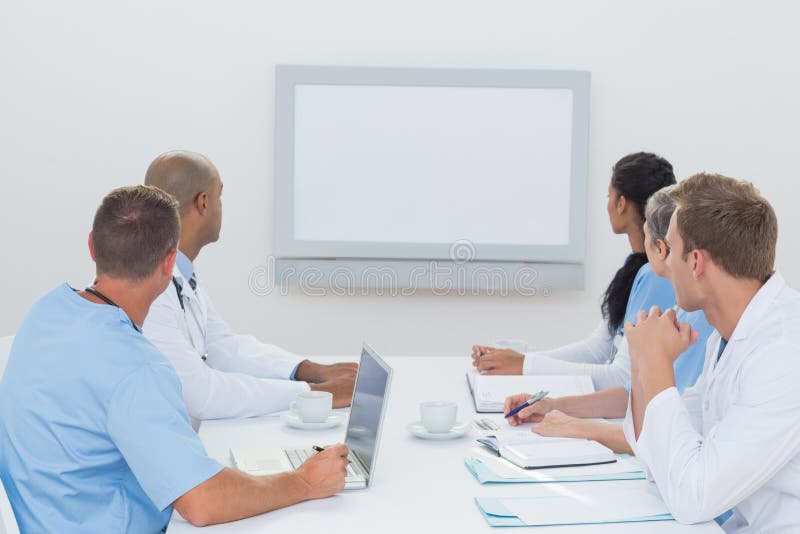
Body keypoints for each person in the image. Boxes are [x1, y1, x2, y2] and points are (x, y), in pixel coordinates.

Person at [0, 186, 350, 532]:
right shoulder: (137, 368)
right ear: (170, 264)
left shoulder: (45, 312)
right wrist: (303, 482)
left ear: (92, 246)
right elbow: (203, 503)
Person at [623, 173, 800, 531]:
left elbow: (693, 497)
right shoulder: (726, 336)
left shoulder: (783, 352)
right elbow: (659, 459)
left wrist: (656, 365)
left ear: (696, 262)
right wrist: (644, 361)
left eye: (670, 248)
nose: (664, 261)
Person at [142, 150, 356, 424]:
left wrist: (309, 370)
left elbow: (223, 347)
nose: (221, 206)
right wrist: (313, 393)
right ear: (203, 203)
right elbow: (201, 395)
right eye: (220, 195)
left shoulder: (179, 274)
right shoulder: (152, 289)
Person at [503, 186, 713, 454]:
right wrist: (553, 406)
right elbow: (630, 397)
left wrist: (577, 427)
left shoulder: (698, 320)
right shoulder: (681, 309)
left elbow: (663, 435)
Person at [472, 152, 677, 390]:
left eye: (609, 196)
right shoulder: (637, 270)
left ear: (621, 204)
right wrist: (517, 361)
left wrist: (525, 365)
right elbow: (599, 349)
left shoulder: (656, 276)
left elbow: (622, 378)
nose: (607, 204)